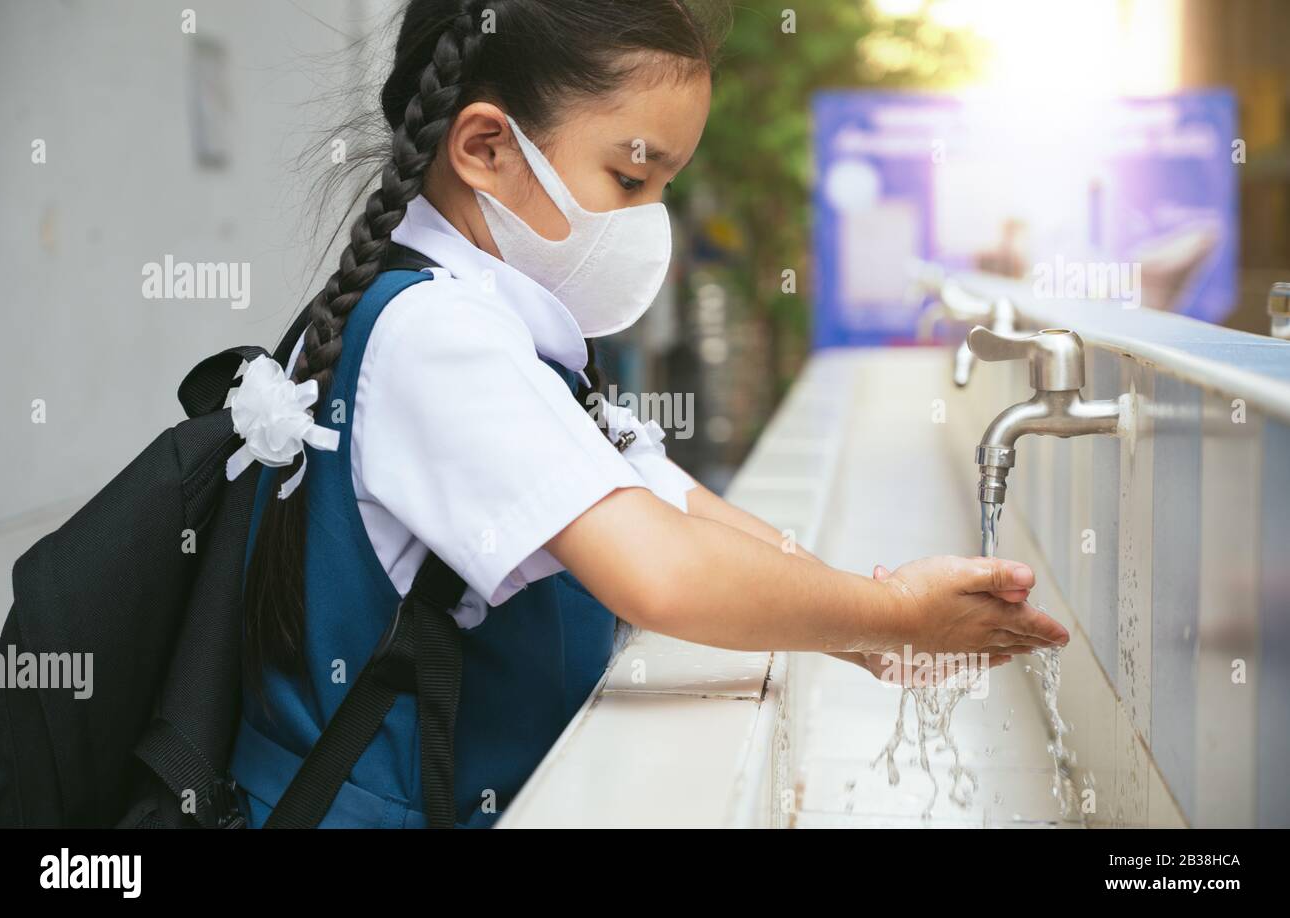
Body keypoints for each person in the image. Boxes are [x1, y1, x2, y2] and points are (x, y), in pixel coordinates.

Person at [227, 0, 1068, 828]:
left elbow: (669, 501)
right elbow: (661, 570)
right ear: (486, 147)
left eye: (665, 185)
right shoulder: (431, 336)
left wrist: (865, 628)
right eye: (630, 179)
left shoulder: (486, 320)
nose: (649, 221)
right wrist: (898, 617)